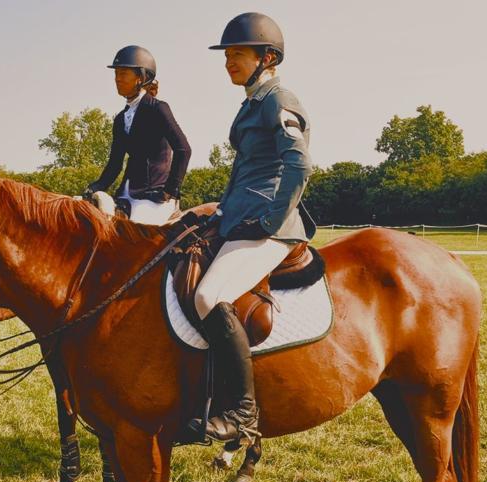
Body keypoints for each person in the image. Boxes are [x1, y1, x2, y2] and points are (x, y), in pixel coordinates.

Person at [187, 12, 316, 442]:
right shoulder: (252, 103)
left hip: (268, 227)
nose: (229, 63)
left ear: (268, 57)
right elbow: (245, 169)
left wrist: (271, 221)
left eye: (237, 55)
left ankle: (242, 412)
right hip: (239, 216)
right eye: (226, 57)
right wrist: (220, 212)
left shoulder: (279, 99)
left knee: (209, 295)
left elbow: (299, 163)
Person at [85, 45, 192, 225]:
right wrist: (94, 187)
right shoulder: (120, 119)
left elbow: (183, 150)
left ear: (141, 77)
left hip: (154, 198)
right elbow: (115, 164)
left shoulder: (158, 109)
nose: (117, 79)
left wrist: (170, 190)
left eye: (123, 74)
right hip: (125, 196)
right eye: (116, 74)